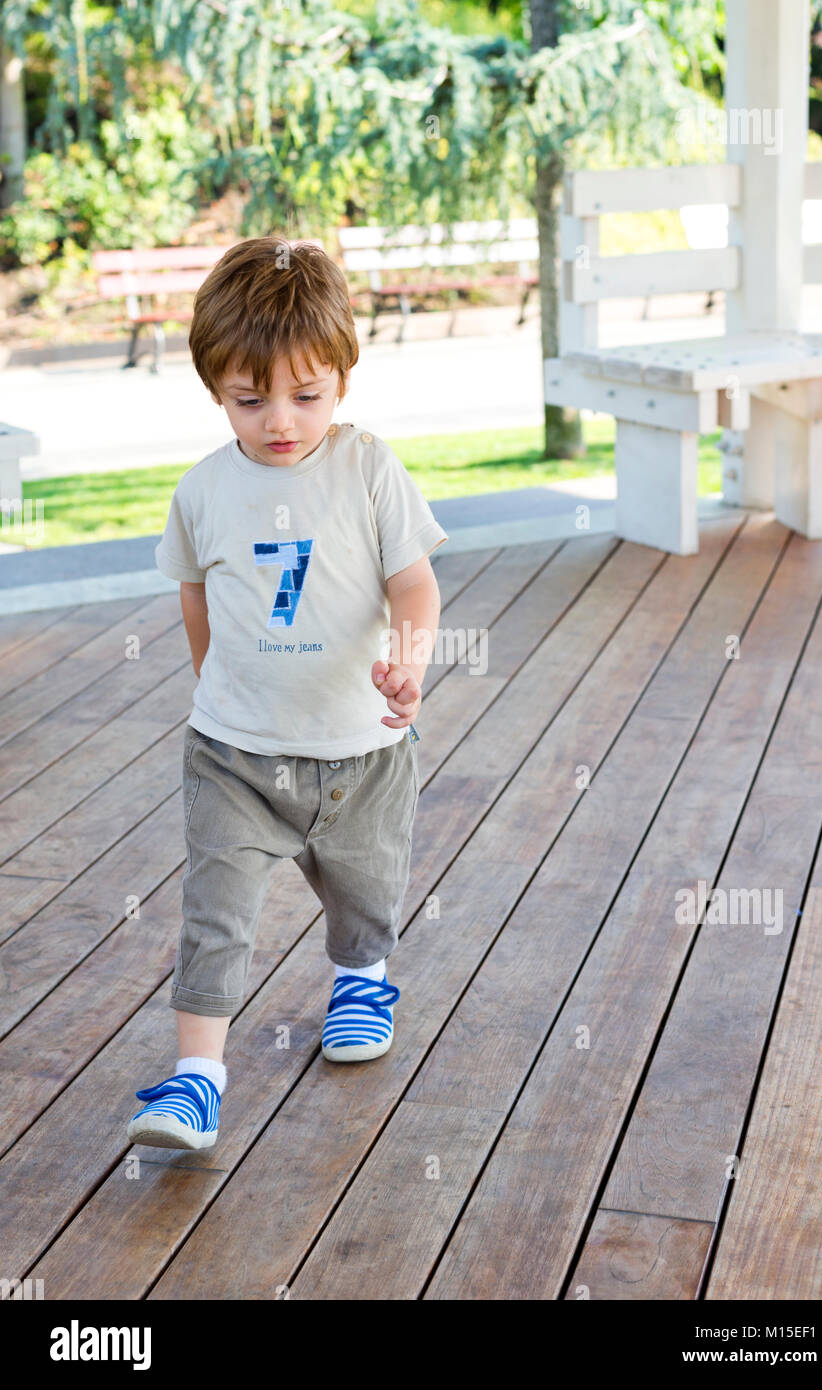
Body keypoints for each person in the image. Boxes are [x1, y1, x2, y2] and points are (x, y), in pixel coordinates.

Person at [128, 236, 447, 1150]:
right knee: (215, 910)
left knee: (364, 890)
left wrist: (410, 660)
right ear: (215, 388)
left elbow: (413, 585)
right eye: (249, 398)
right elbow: (197, 600)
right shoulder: (202, 491)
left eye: (306, 396)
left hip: (361, 749)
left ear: (342, 377)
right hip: (233, 754)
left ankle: (361, 979)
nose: (279, 419)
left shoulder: (367, 468)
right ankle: (197, 1079)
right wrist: (216, 692)